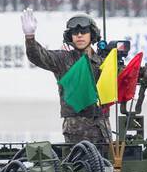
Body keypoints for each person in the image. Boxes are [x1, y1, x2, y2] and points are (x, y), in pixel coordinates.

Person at [21, 9, 111, 146]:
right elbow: (38, 56)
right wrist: (30, 37)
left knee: (106, 166)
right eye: (75, 33)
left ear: (92, 34)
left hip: (103, 130)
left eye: (84, 31)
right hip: (77, 132)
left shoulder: (103, 62)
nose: (79, 35)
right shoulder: (64, 59)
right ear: (70, 37)